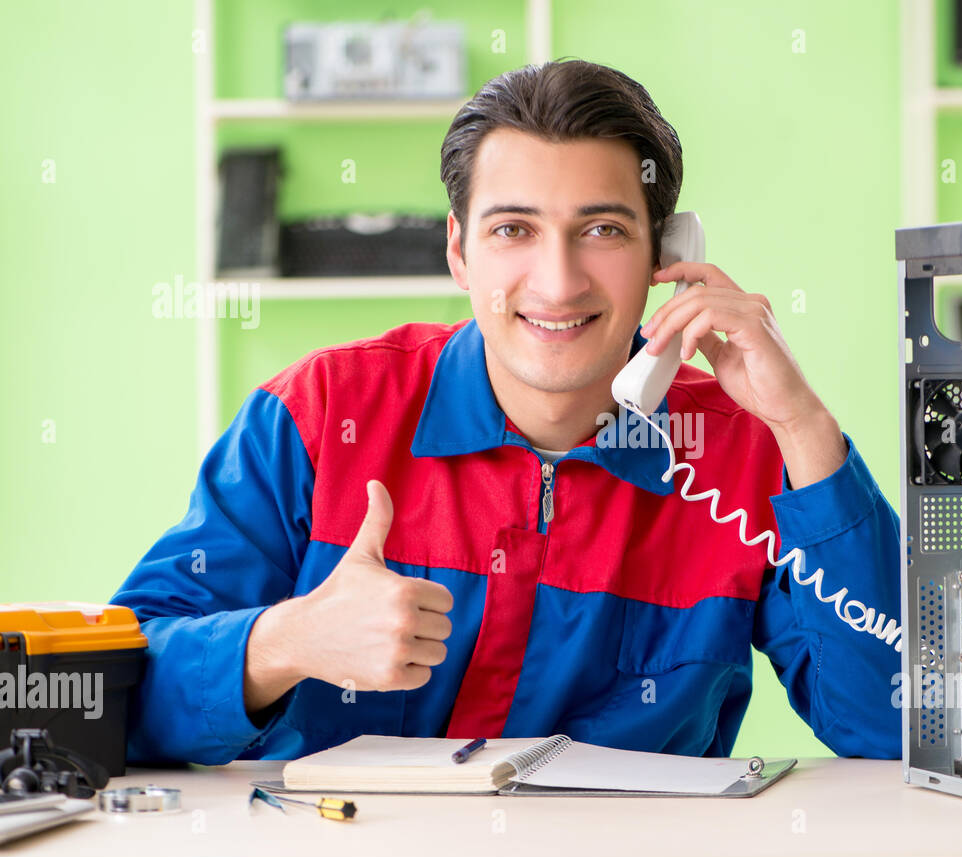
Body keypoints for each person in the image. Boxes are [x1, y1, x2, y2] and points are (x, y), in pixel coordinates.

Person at [110, 58, 902, 765]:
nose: (557, 283)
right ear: (459, 250)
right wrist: (285, 642)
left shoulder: (745, 451)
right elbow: (117, 692)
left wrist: (801, 423)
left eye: (601, 229)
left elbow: (894, 724)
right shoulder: (318, 415)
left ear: (665, 254)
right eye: (514, 229)